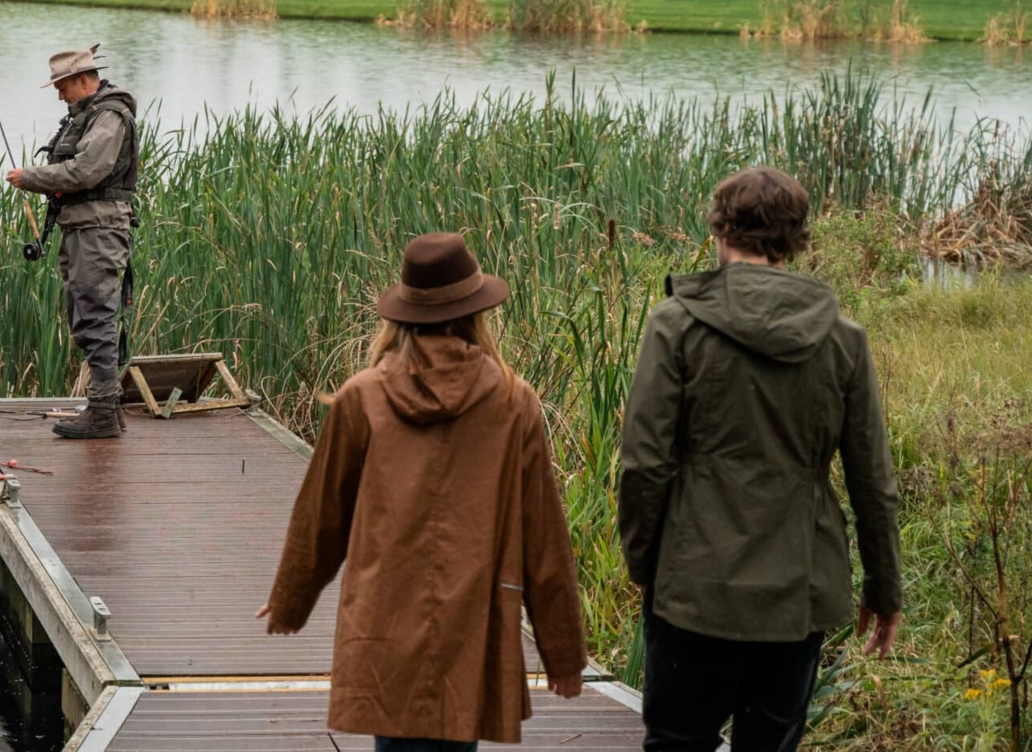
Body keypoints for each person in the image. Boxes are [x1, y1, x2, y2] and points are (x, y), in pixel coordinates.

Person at [259, 232, 588, 752]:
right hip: (470, 626)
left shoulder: (363, 397)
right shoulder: (511, 400)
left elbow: (323, 515)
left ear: (402, 315)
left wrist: (289, 601)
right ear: (477, 313)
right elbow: (543, 536)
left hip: (384, 627)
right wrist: (564, 653)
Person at [619, 166, 902, 752]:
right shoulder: (842, 340)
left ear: (719, 230)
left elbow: (644, 465)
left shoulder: (674, 325)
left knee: (677, 741)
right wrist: (884, 586)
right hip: (795, 591)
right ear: (796, 239)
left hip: (693, 586)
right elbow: (873, 479)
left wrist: (645, 565)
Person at [5, 46, 138, 439]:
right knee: (86, 314)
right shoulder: (89, 115)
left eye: (62, 86)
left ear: (84, 80)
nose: (59, 95)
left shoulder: (109, 117)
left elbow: (86, 170)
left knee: (95, 315)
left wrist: (31, 178)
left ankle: (102, 412)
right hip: (84, 230)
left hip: (98, 231)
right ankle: (106, 409)